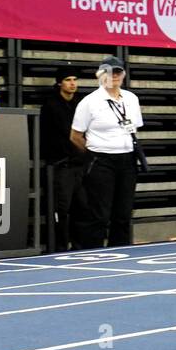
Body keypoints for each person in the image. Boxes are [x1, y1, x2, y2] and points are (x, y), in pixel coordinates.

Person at [70, 56, 145, 248]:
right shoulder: (90, 102)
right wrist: (94, 153)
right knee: (99, 213)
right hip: (101, 159)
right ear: (101, 76)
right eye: (110, 73)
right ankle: (91, 251)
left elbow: (133, 128)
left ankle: (121, 251)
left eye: (118, 72)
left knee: (123, 212)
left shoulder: (131, 99)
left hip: (127, 159)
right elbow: (76, 136)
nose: (114, 76)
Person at [40, 67, 86, 251]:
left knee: (82, 207)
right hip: (61, 164)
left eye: (75, 79)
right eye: (68, 79)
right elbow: (67, 134)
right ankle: (60, 247)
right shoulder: (51, 105)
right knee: (62, 209)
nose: (73, 83)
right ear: (60, 82)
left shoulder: (80, 104)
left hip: (80, 164)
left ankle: (80, 245)